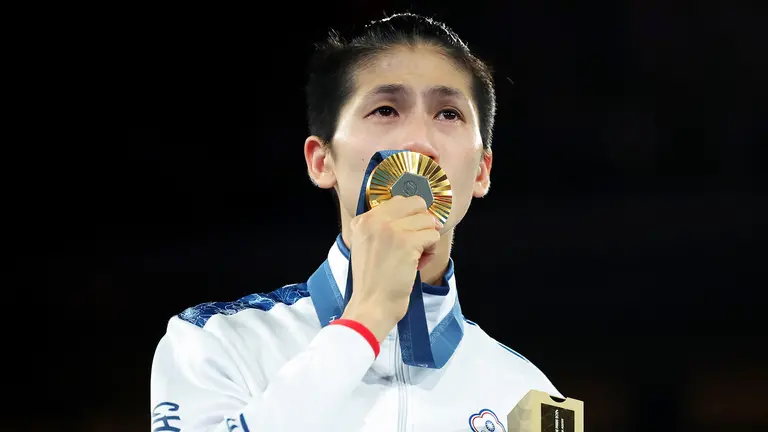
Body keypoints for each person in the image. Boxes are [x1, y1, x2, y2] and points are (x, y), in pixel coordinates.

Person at [150, 12, 561, 432]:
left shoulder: (532, 400)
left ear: (481, 171)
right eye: (385, 109)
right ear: (322, 160)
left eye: (448, 114)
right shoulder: (213, 342)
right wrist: (364, 321)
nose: (418, 142)